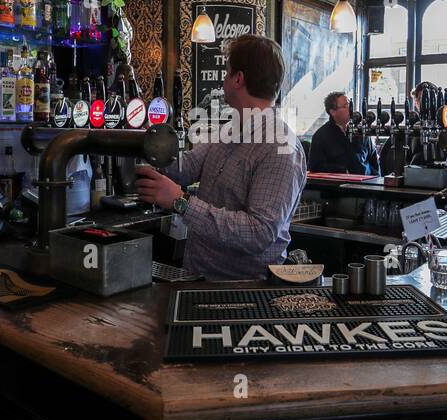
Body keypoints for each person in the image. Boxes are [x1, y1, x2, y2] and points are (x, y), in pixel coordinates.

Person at [134, 34, 306, 281]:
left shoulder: (280, 147)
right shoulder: (230, 129)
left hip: (243, 292)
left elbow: (259, 232)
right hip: (197, 275)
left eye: (226, 73)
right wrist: (150, 144)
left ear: (238, 79)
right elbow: (189, 166)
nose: (223, 80)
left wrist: (181, 202)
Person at [307, 91, 378, 175]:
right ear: (333, 112)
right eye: (345, 106)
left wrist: (376, 180)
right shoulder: (321, 136)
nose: (350, 109)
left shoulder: (361, 131)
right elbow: (315, 166)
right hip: (339, 185)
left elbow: (374, 160)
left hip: (367, 184)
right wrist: (343, 171)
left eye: (349, 105)